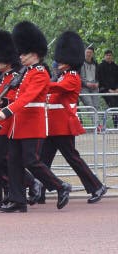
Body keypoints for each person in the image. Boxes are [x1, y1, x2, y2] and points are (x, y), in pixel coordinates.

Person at [0, 21, 71, 213]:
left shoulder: (40, 72)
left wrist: (7, 110)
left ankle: (60, 186)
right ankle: (17, 200)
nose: (21, 56)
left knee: (31, 161)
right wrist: (1, 102)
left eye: (24, 53)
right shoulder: (25, 72)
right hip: (17, 124)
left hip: (32, 123)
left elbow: (29, 97)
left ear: (35, 53)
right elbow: (16, 95)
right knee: (13, 162)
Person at [0, 30, 43, 209]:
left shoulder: (15, 76)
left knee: (6, 161)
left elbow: (14, 102)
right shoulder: (4, 77)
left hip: (6, 124)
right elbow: (1, 102)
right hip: (0, 121)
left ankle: (29, 183)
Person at [41, 31, 108, 204]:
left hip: (63, 125)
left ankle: (96, 186)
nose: (59, 63)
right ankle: (38, 193)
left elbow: (54, 89)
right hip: (53, 126)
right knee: (42, 161)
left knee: (73, 159)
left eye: (62, 60)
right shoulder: (61, 75)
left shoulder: (72, 78)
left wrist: (38, 83)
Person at [98, 50, 118, 126]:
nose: (109, 57)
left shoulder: (115, 66)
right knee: (113, 104)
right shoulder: (100, 66)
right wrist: (109, 89)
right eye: (107, 55)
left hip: (115, 90)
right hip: (105, 90)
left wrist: (116, 88)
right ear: (104, 56)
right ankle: (116, 125)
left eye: (110, 55)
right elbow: (101, 79)